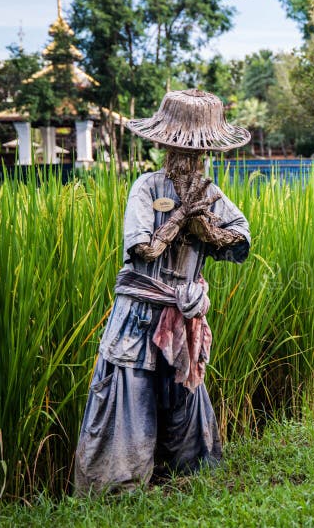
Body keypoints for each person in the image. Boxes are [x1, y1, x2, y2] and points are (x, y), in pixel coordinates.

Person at [74, 89, 252, 494]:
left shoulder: (210, 192)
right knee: (129, 394)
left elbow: (240, 239)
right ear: (164, 147)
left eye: (195, 153)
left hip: (182, 310)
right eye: (179, 150)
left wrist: (207, 228)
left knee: (183, 391)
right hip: (140, 314)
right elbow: (141, 249)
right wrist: (177, 220)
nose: (187, 159)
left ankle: (187, 478)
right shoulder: (147, 187)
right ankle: (117, 487)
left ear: (205, 154)